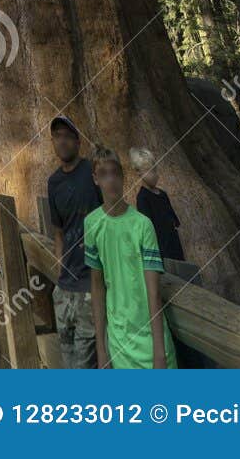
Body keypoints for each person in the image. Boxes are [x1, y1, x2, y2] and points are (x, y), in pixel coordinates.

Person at [85, 147, 177, 371]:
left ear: (123, 176)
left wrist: (159, 354)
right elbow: (97, 287)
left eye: (115, 173)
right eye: (103, 174)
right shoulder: (91, 224)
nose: (111, 180)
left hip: (151, 340)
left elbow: (153, 293)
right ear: (95, 179)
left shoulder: (142, 225)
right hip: (119, 342)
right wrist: (101, 349)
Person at [46, 115, 100, 368]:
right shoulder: (54, 182)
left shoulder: (93, 172)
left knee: (86, 361)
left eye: (68, 136)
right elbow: (58, 231)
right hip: (65, 288)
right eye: (57, 136)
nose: (62, 141)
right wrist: (60, 273)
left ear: (78, 142)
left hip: (91, 285)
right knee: (68, 358)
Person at [130, 147, 186, 261]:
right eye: (150, 171)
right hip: (161, 249)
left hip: (174, 245)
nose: (154, 175)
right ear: (139, 173)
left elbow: (174, 221)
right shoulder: (143, 198)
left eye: (155, 170)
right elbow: (147, 229)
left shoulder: (163, 194)